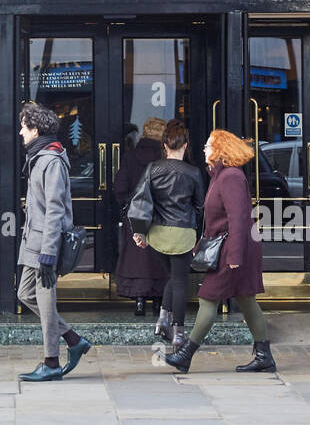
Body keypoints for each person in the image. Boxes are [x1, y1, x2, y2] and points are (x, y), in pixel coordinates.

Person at [165, 129, 271, 373]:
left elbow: (238, 219)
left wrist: (235, 255)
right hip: (230, 246)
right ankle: (264, 355)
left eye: (208, 145)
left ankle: (185, 355)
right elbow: (216, 219)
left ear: (220, 150)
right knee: (246, 299)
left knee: (207, 298)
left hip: (233, 249)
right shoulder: (219, 176)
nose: (204, 148)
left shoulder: (230, 177)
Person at [15, 102, 92, 382]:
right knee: (25, 294)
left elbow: (55, 209)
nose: (20, 131)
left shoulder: (51, 160)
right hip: (33, 243)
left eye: (24, 126)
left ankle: (51, 362)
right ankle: (73, 339)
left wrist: (48, 254)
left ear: (35, 129)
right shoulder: (38, 157)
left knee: (46, 304)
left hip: (44, 246)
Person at [128, 119, 205, 350]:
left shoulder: (153, 168)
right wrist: (199, 234)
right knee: (180, 281)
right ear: (185, 144)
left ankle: (162, 320)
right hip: (183, 233)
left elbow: (140, 200)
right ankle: (178, 333)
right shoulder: (193, 173)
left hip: (157, 235)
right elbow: (200, 206)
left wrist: (139, 232)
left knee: (173, 276)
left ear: (165, 145)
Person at [112, 117, 169, 316]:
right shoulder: (164, 157)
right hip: (161, 215)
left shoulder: (130, 156)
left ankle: (139, 301)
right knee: (159, 258)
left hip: (136, 214)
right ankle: (158, 301)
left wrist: (128, 207)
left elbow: (120, 186)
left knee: (137, 257)